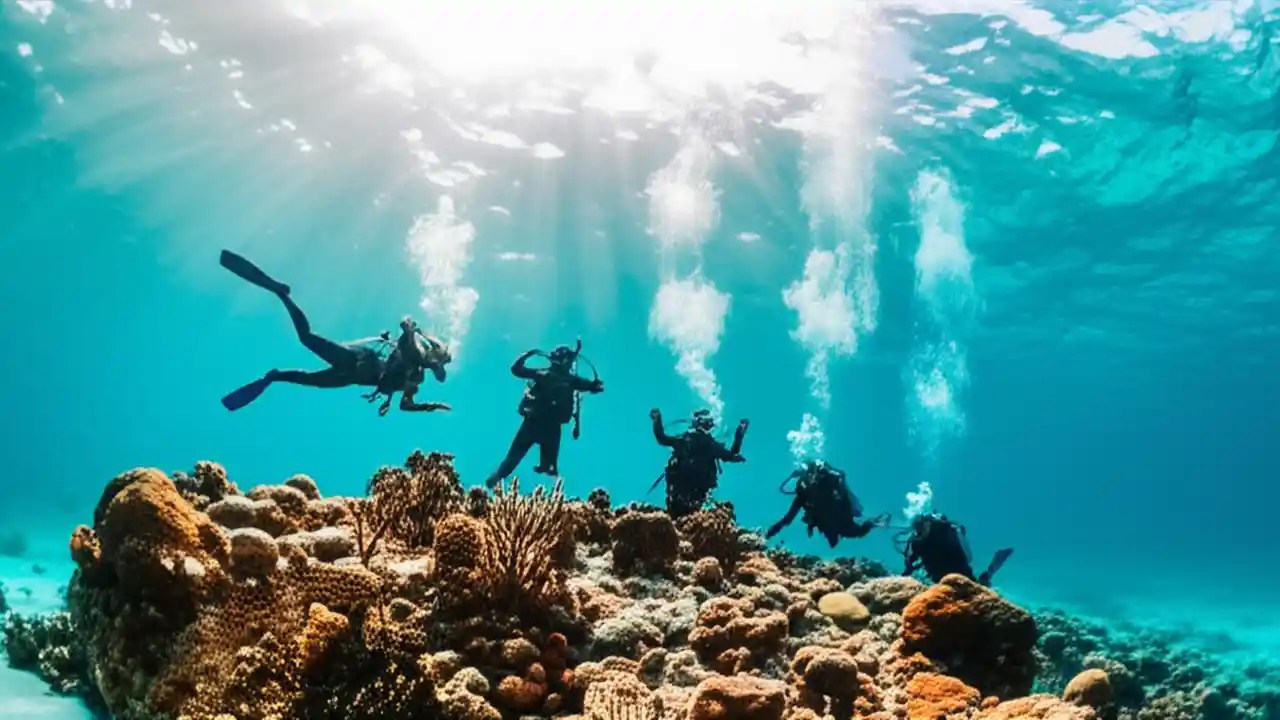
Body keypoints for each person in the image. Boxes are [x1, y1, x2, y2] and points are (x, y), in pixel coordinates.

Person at [218, 250, 451, 414]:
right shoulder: (412, 350)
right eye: (437, 362)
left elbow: (405, 405)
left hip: (349, 377)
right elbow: (405, 329)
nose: (436, 368)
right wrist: (410, 326)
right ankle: (281, 293)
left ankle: (274, 376)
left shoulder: (415, 378)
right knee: (306, 338)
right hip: (354, 359)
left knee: (308, 378)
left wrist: (431, 406)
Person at [485, 341, 603, 488]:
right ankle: (549, 491)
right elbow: (594, 386)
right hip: (547, 427)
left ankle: (499, 479)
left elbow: (516, 369)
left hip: (534, 424)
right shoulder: (569, 380)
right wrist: (595, 384)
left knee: (514, 460)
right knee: (548, 468)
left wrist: (528, 354)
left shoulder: (547, 375)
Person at [765, 460, 889, 548]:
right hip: (837, 522)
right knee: (856, 532)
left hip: (836, 521)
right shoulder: (805, 493)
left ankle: (873, 522)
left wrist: (767, 535)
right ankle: (873, 523)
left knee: (856, 532)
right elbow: (787, 520)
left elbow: (787, 520)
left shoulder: (809, 491)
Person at [649, 408, 748, 518]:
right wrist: (739, 434)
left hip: (682, 494)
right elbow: (732, 455)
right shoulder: (710, 445)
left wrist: (657, 419)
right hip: (692, 496)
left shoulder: (685, 441)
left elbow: (661, 438)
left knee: (680, 513)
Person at [900, 511, 1013, 586]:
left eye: (920, 526)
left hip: (956, 574)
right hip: (945, 578)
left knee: (978, 588)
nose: (918, 531)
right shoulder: (917, 542)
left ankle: (991, 569)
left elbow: (962, 557)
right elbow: (910, 565)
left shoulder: (942, 533)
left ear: (928, 524)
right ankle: (989, 572)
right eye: (916, 528)